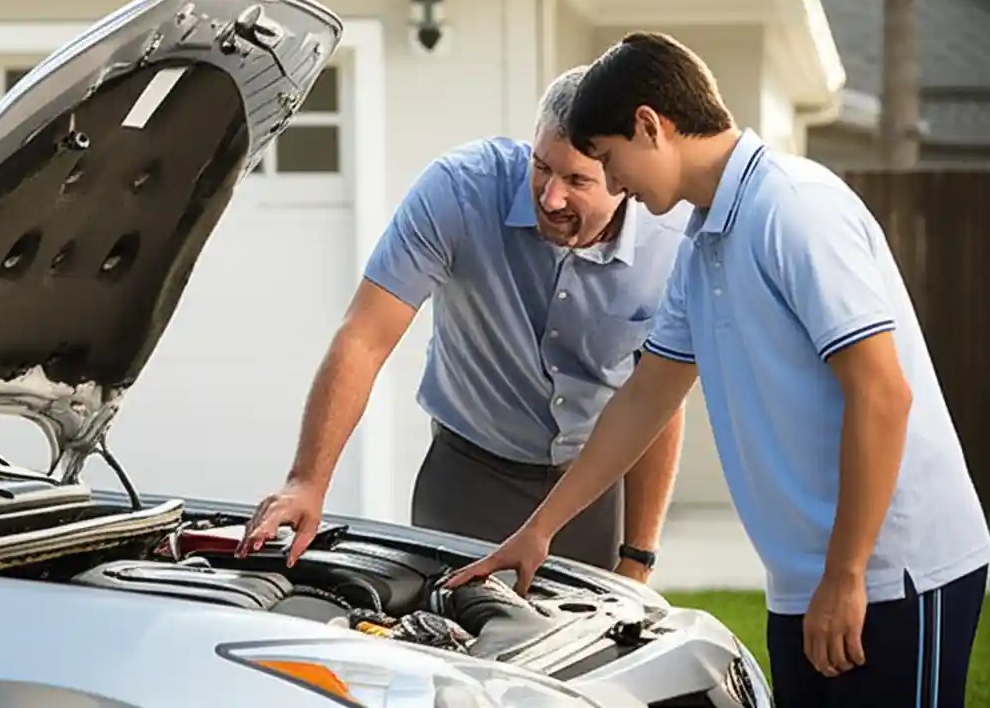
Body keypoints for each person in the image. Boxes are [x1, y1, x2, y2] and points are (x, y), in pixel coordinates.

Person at [442, 32, 990, 707]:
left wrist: (847, 574)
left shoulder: (794, 207)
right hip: (804, 579)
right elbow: (646, 396)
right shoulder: (702, 242)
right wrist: (540, 531)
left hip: (892, 572)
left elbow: (882, 395)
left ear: (650, 125)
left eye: (610, 162)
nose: (614, 186)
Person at [237, 66, 692, 582]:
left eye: (577, 180)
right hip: (469, 477)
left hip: (591, 487)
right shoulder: (460, 192)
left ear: (622, 181)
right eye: (541, 167)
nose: (550, 197)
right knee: (448, 644)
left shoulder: (672, 239)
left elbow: (659, 398)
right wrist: (307, 482)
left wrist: (638, 556)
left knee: (574, 657)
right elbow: (365, 337)